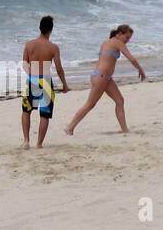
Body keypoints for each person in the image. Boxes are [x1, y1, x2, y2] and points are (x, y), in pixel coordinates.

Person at [64, 24, 145, 136]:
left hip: (105, 78)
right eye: (127, 37)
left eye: (129, 38)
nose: (128, 41)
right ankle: (69, 127)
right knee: (90, 104)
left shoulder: (107, 42)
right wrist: (141, 70)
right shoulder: (117, 42)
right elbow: (131, 58)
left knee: (120, 100)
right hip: (101, 77)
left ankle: (125, 129)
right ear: (120, 34)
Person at [20, 15, 70, 149]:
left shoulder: (29, 44)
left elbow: (24, 63)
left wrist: (30, 73)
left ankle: (26, 140)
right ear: (51, 30)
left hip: (32, 79)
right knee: (45, 114)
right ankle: (39, 144)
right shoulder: (53, 47)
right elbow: (59, 68)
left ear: (39, 28)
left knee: (26, 111)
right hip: (46, 81)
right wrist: (65, 84)